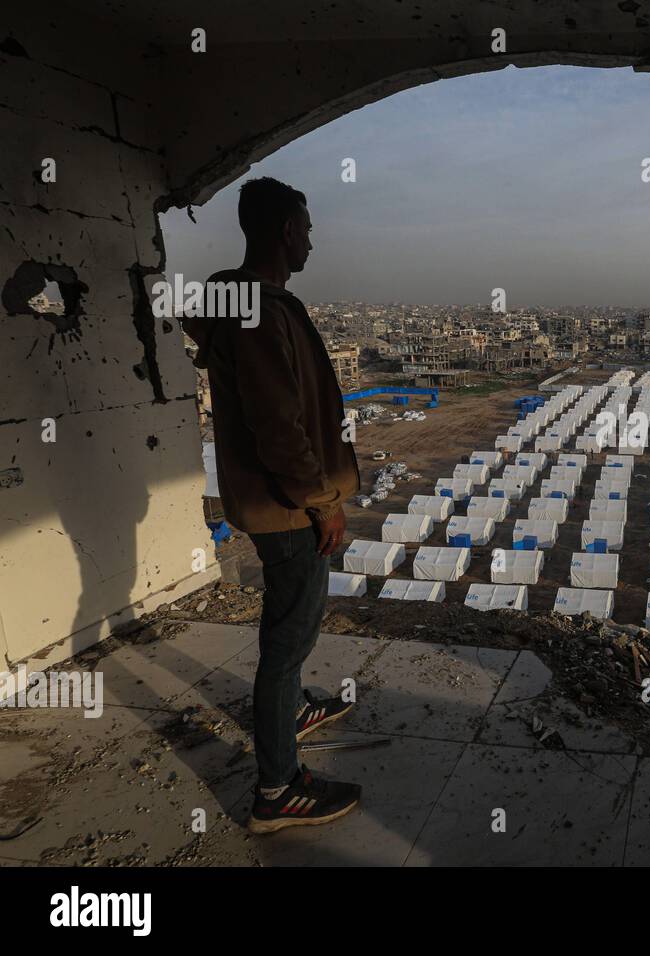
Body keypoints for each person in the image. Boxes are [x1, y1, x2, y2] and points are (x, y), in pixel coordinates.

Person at [183, 177, 362, 833]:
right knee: (287, 643)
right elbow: (278, 424)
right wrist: (323, 504)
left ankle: (287, 715)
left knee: (291, 631)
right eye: (306, 228)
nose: (311, 239)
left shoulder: (250, 303)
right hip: (289, 509)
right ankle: (278, 789)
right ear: (286, 232)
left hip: (273, 503)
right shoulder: (256, 310)